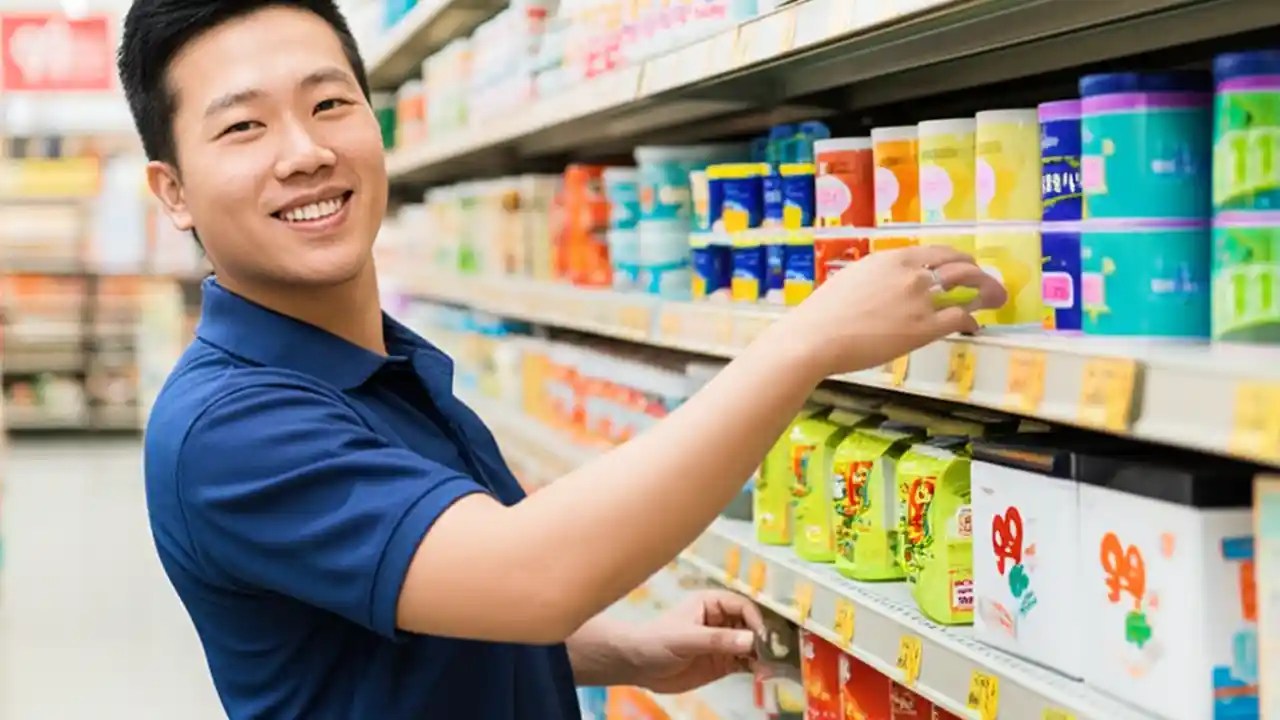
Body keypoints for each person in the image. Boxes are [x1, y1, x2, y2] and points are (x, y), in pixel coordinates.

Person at [117, 1, 1005, 718]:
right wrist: (808, 340)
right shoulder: (229, 428)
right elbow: (529, 576)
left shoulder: (379, 364)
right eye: (243, 129)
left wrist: (621, 649)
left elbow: (401, 620)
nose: (305, 152)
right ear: (175, 192)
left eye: (329, 104)